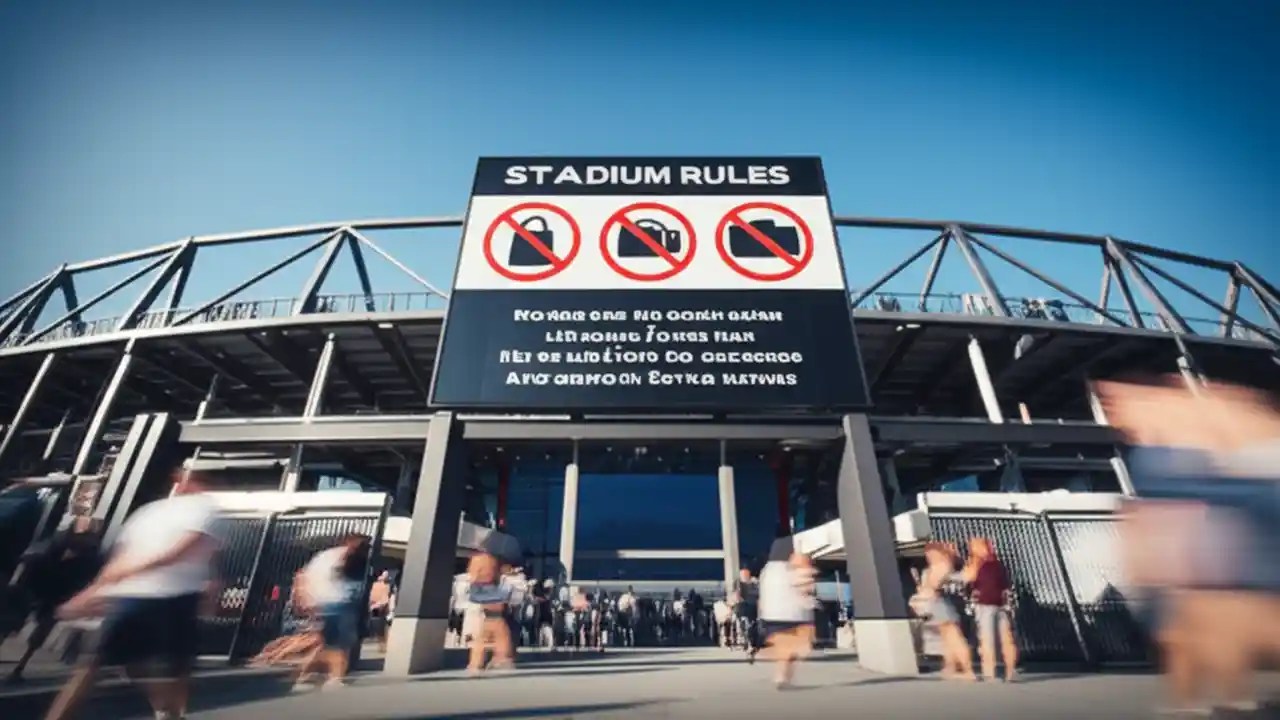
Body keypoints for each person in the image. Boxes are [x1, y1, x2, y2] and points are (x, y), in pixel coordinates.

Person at [46, 470, 221, 720]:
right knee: (153, 669)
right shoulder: (166, 511)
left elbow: (178, 549)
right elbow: (162, 552)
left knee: (98, 667)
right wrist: (96, 589)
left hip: (153, 597)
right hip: (161, 598)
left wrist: (102, 586)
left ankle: (168, 713)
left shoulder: (172, 511)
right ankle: (169, 713)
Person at [293, 534, 370, 691]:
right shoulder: (343, 558)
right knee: (341, 644)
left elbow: (304, 577)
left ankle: (307, 677)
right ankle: (334, 678)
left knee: (327, 643)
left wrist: (307, 600)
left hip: (324, 603)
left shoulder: (323, 556)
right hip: (338, 603)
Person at [757, 541, 817, 689]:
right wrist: (811, 601)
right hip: (794, 615)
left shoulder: (767, 570)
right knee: (799, 646)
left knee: (785, 648)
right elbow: (804, 587)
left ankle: (781, 677)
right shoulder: (795, 565)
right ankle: (781, 675)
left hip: (772, 614)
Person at [915, 542, 975, 681]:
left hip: (940, 604)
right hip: (937, 604)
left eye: (931, 553)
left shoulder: (942, 566)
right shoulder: (937, 567)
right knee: (947, 639)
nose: (928, 556)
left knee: (954, 638)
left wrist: (926, 587)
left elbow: (934, 585)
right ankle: (951, 667)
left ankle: (967, 670)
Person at [962, 537, 1018, 682]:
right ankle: (1007, 671)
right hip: (999, 606)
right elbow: (1006, 585)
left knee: (989, 639)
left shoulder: (977, 565)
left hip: (986, 606)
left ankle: (991, 672)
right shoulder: (997, 565)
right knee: (1005, 639)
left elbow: (968, 583)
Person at [465, 552, 513, 675]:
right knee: (496, 629)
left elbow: (473, 577)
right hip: (489, 596)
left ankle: (477, 662)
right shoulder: (490, 560)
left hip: (483, 596)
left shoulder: (479, 559)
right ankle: (501, 658)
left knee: (484, 634)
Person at [368, 571, 393, 653]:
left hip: (381, 609)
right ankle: (383, 645)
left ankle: (383, 645)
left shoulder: (383, 585)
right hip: (381, 609)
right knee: (381, 628)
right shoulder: (382, 586)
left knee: (382, 628)